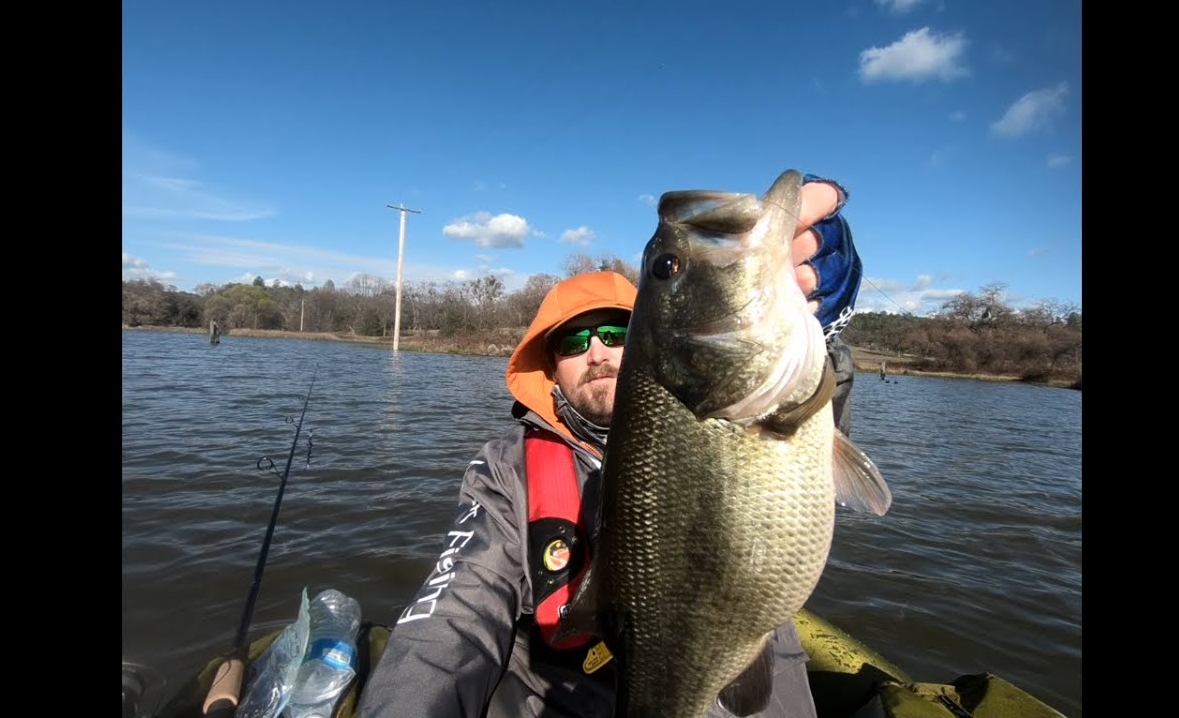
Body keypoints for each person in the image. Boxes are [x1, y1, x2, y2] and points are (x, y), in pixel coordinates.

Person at [357, 174, 863, 718]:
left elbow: (804, 413)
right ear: (549, 368)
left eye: (617, 333)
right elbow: (454, 616)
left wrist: (826, 335)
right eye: (574, 341)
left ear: (646, 342)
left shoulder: (768, 401)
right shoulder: (506, 471)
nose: (597, 351)